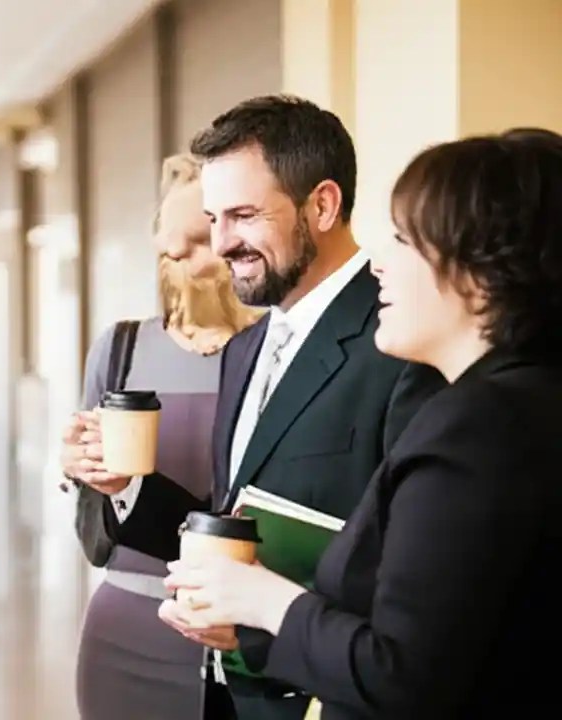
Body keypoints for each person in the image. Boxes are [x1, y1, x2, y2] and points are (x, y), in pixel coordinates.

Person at [162, 128, 562, 719]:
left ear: (482, 275)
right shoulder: (525, 399)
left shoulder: (478, 426)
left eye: (405, 241)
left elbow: (402, 671)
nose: (380, 263)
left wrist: (265, 602)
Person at [91, 95, 445, 720]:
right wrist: (126, 487)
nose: (222, 244)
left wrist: (263, 620)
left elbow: (415, 570)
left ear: (324, 205)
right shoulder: (247, 345)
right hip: (233, 693)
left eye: (244, 216)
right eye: (213, 218)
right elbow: (232, 521)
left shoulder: (401, 340)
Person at [62, 153, 262, 719]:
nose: (179, 258)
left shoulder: (274, 351)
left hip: (237, 633)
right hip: (124, 626)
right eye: (169, 244)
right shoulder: (121, 348)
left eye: (197, 240)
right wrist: (78, 464)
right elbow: (97, 501)